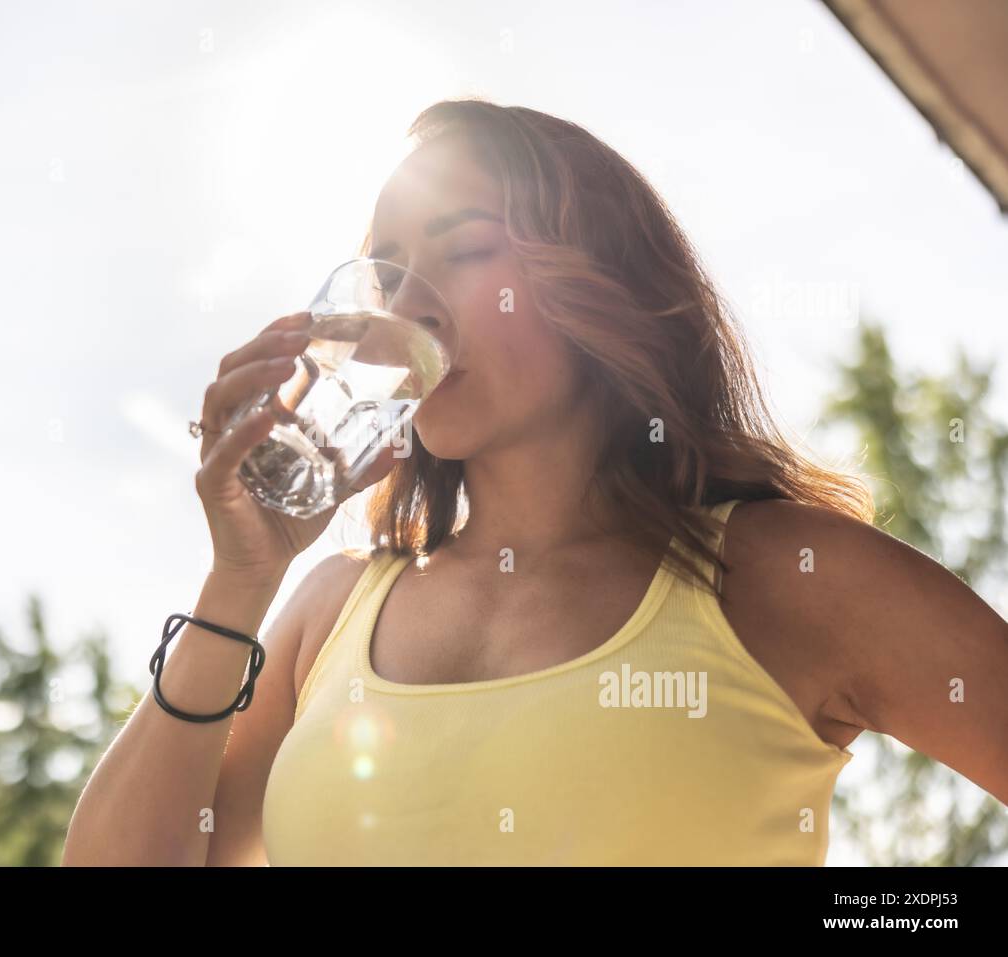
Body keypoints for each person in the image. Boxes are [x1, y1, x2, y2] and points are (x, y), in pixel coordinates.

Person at [63, 99, 1008, 866]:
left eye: (467, 250)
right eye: (386, 273)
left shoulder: (790, 577)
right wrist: (240, 581)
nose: (409, 303)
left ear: (605, 282)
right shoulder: (330, 609)